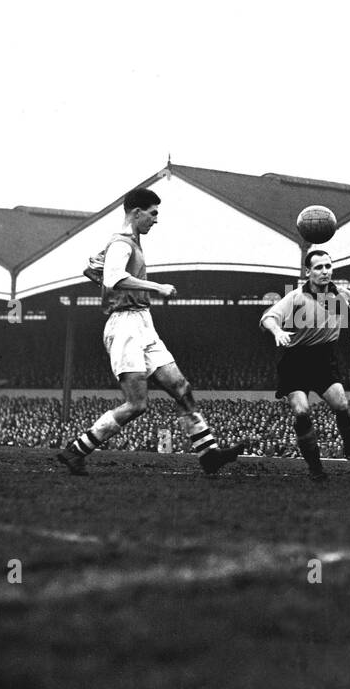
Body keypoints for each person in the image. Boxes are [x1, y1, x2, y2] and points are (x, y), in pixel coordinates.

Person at [55, 187, 247, 476]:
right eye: (153, 213)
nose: (155, 220)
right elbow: (114, 276)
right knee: (137, 404)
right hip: (124, 326)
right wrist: (156, 287)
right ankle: (76, 450)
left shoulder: (128, 242)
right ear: (136, 212)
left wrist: (109, 284)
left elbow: (93, 270)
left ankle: (209, 454)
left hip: (143, 323)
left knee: (181, 388)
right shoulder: (122, 244)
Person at [259, 249, 350, 481]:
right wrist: (277, 330)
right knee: (302, 412)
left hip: (323, 359)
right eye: (319, 267)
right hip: (295, 361)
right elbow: (268, 318)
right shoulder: (296, 297)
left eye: (328, 266)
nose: (325, 271)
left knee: (342, 405)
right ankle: (315, 467)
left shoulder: (339, 294)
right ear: (308, 272)